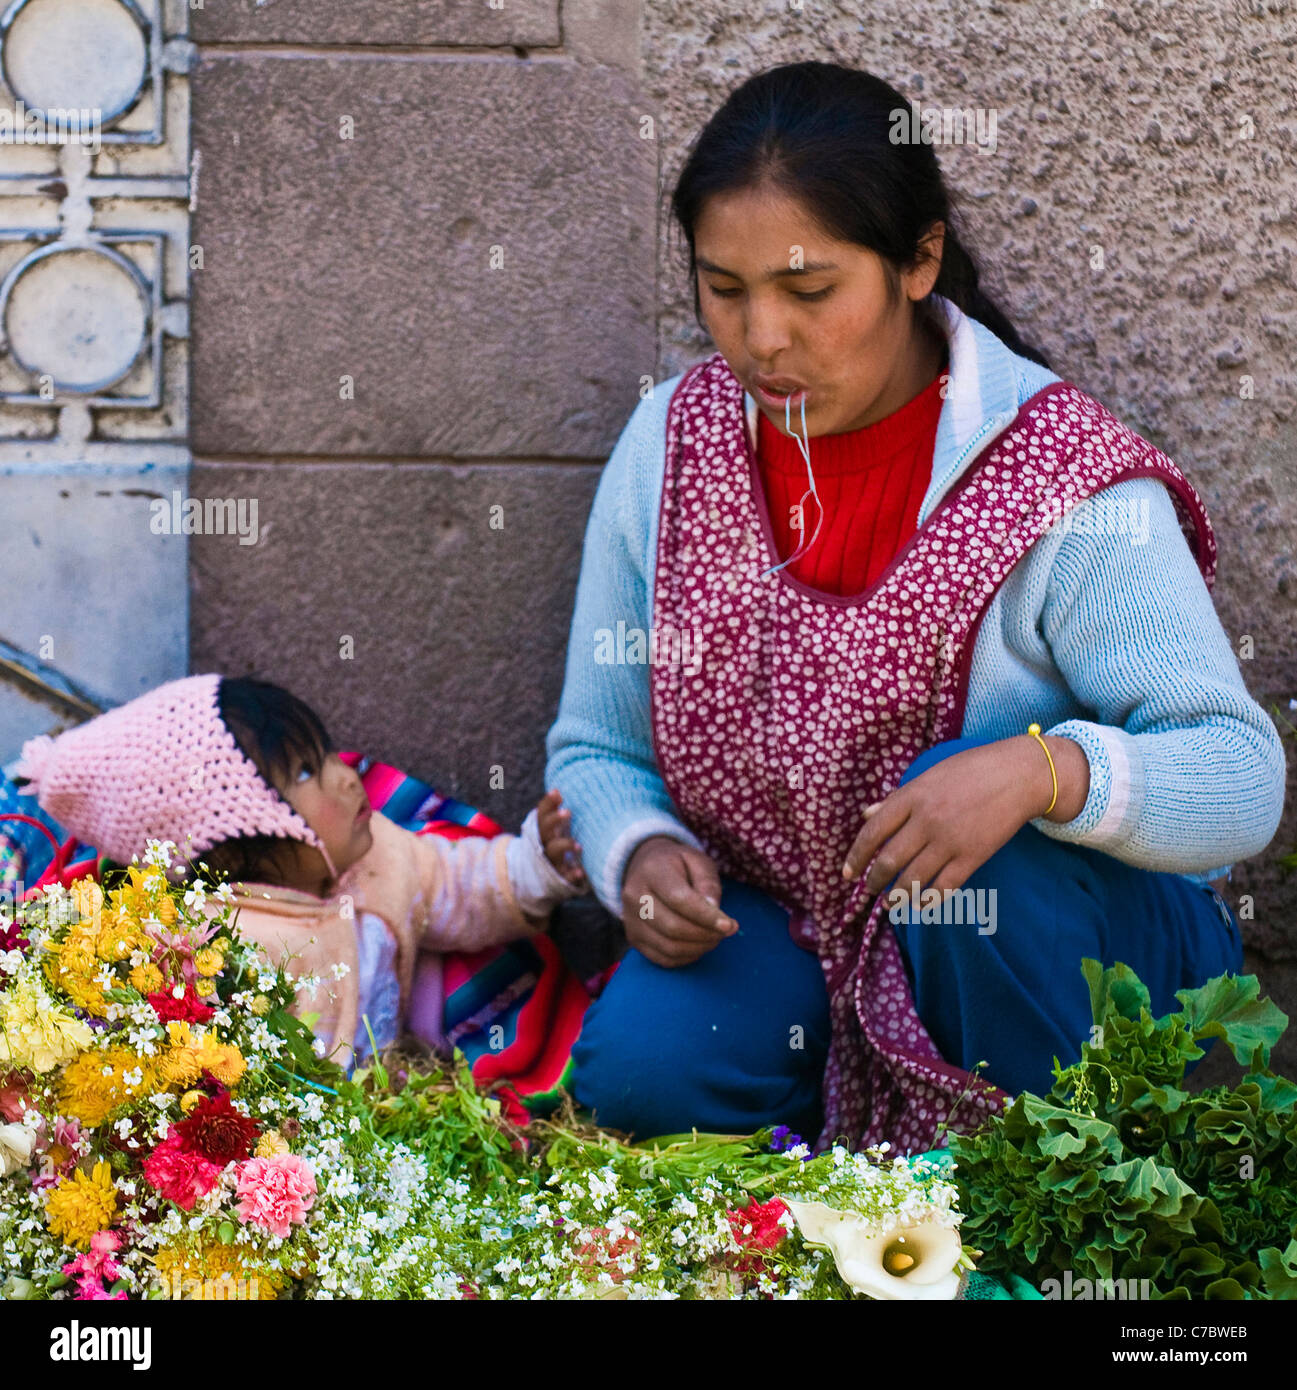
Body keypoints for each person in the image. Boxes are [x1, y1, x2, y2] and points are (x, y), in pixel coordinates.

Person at [545, 61, 1285, 1151]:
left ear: (916, 259)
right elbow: (594, 749)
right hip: (794, 920)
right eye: (723, 287)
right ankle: (843, 1200)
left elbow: (1238, 775)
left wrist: (1041, 772)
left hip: (1042, 940)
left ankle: (1043, 1185)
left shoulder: (1063, 481)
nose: (760, 339)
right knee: (641, 1082)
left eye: (808, 292)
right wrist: (638, 852)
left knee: (970, 854)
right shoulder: (671, 446)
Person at [16, 674, 587, 1070]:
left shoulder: (380, 855)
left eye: (328, 753)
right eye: (308, 772)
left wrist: (537, 864)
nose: (346, 776)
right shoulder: (215, 941)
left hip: (394, 1104)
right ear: (232, 841)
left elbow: (459, 883)